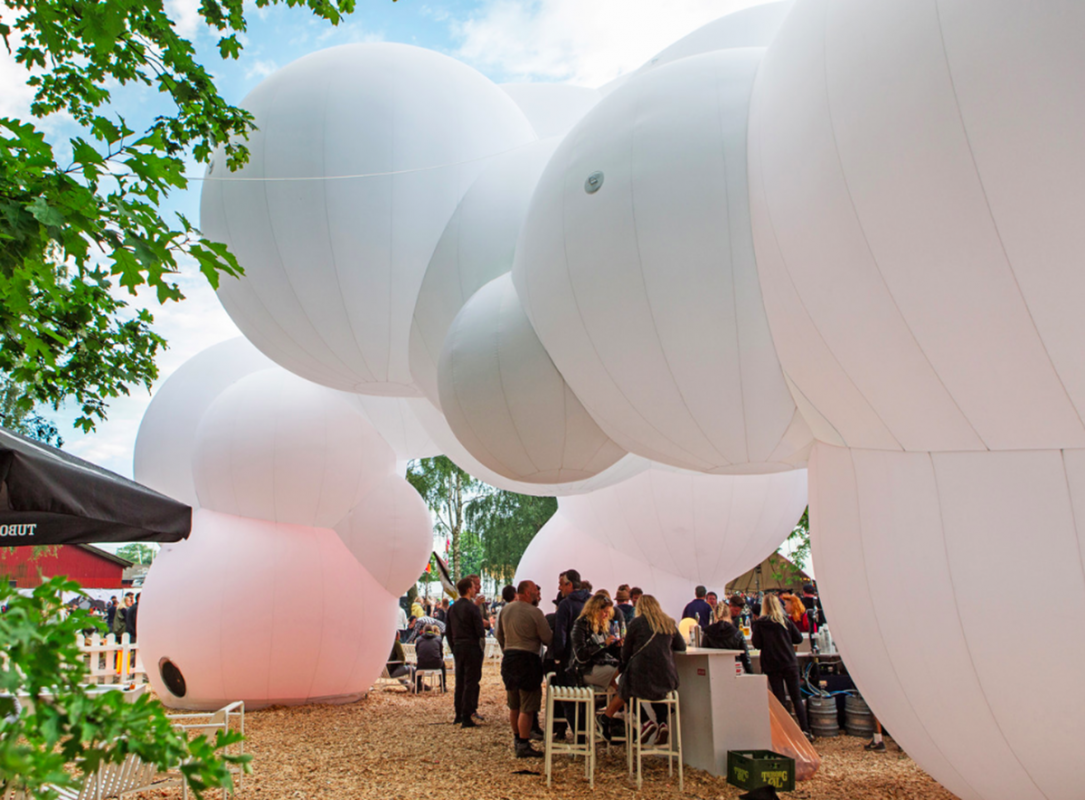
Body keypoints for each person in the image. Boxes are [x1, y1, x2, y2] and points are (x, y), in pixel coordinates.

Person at [616, 594, 686, 746]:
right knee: (656, 692)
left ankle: (646, 722)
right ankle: (662, 723)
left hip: (642, 677)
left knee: (625, 686)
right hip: (667, 677)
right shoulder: (668, 622)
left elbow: (625, 653)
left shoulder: (636, 623)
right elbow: (682, 646)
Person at [497, 580, 552, 759]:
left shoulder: (505, 610)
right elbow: (547, 638)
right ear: (527, 593)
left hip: (509, 659)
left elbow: (499, 635)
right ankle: (524, 742)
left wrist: (508, 648)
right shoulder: (535, 612)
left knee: (514, 703)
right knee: (527, 706)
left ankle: (516, 739)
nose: (538, 593)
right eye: (536, 590)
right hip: (528, 660)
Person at [752, 594, 812, 741]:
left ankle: (785, 731)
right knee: (796, 697)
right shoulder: (785, 621)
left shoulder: (760, 624)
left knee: (779, 699)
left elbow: (757, 644)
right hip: (789, 662)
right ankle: (805, 730)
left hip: (772, 664)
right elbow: (798, 638)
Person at [447, 576, 485, 727]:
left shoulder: (452, 608)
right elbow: (480, 631)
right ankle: (467, 715)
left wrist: (454, 647)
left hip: (458, 646)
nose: (476, 589)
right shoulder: (472, 608)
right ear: (469, 589)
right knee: (471, 681)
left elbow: (448, 631)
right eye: (474, 587)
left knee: (460, 681)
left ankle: (458, 714)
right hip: (471, 647)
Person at [569, 593, 620, 689]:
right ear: (595, 610)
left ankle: (614, 699)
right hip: (587, 669)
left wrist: (616, 646)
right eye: (605, 611)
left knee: (625, 677)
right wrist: (604, 644)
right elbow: (581, 654)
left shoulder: (605, 625)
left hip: (603, 664)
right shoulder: (581, 625)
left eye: (609, 612)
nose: (607, 615)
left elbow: (608, 651)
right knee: (624, 674)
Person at [703, 601, 752, 674]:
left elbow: (703, 655)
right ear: (729, 614)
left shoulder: (707, 632)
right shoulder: (737, 633)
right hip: (734, 670)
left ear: (715, 615)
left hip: (713, 671)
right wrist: (751, 674)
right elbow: (746, 658)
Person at [414, 625, 446, 692]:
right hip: (436, 663)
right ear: (432, 631)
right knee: (443, 665)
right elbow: (441, 653)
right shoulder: (438, 639)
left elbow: (417, 652)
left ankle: (416, 687)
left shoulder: (419, 639)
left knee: (418, 666)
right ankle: (443, 686)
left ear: (424, 631)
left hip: (422, 664)